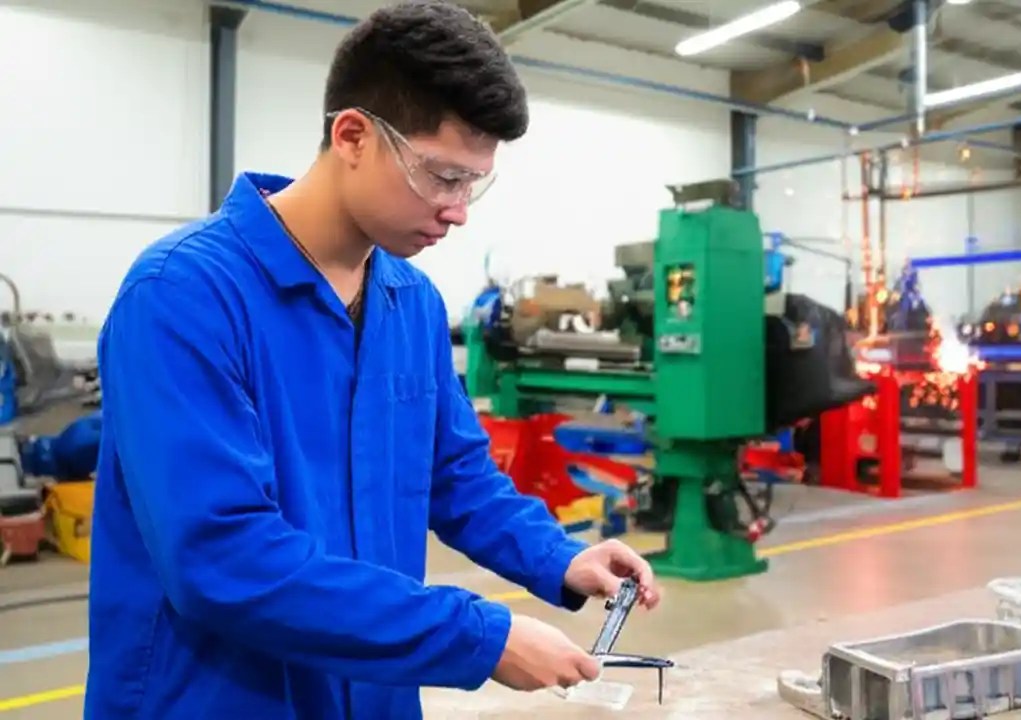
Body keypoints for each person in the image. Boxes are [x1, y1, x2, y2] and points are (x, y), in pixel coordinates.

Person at [83, 3, 660, 718]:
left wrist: (558, 557)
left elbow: (455, 474)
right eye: (442, 177)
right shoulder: (184, 295)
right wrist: (480, 637)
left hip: (372, 696)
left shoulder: (409, 302)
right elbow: (221, 556)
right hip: (221, 697)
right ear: (352, 136)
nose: (458, 210)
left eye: (473, 184)